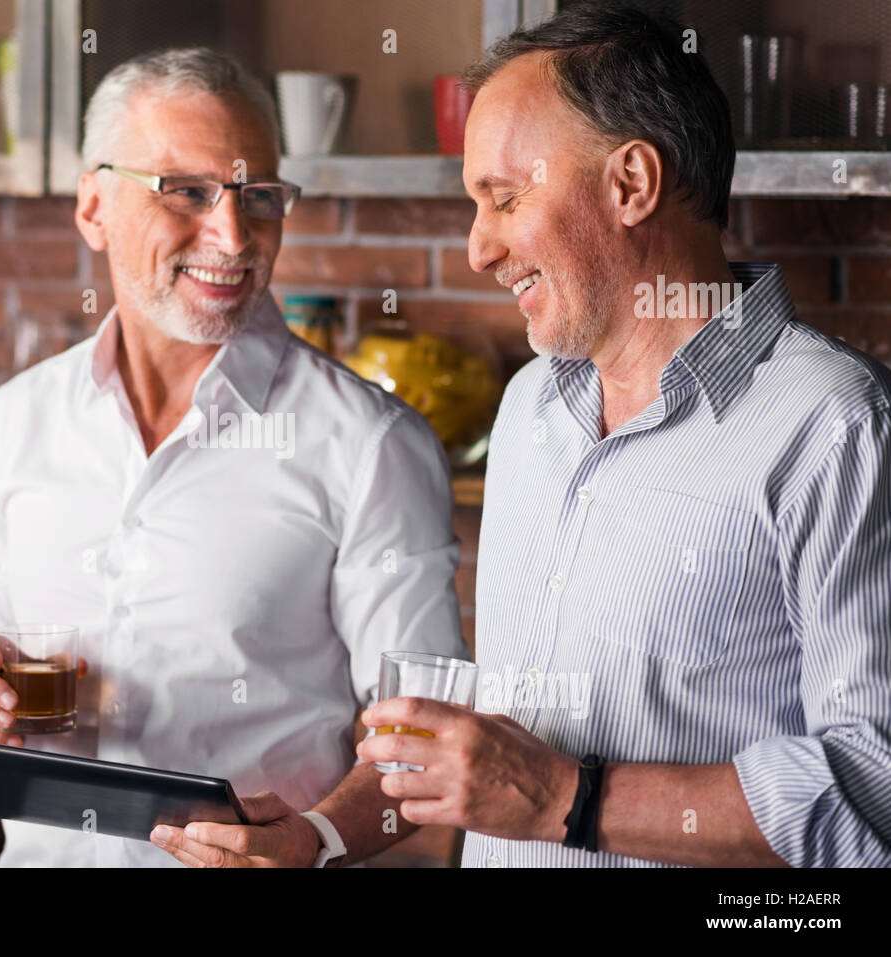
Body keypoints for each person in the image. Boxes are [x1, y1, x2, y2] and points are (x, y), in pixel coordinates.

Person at [357, 2, 891, 867]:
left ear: (632, 184)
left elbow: (876, 797)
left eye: (504, 197)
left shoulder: (838, 426)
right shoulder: (528, 409)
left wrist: (562, 797)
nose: (477, 249)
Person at [0, 48, 466, 867]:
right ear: (95, 206)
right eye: (189, 191)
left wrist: (312, 841)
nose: (234, 236)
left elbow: (424, 748)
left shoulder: (372, 445)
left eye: (260, 197)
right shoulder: (17, 420)